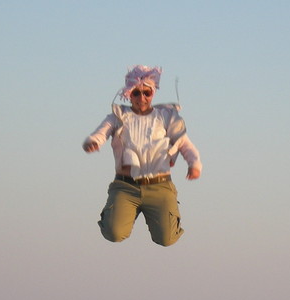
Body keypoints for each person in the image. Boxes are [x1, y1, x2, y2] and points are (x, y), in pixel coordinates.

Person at [82, 65, 202, 246]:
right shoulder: (118, 116)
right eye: (136, 93)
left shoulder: (167, 116)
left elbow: (184, 143)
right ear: (129, 94)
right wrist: (93, 142)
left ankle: (168, 216)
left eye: (147, 93)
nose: (142, 98)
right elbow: (100, 133)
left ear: (153, 93)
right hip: (125, 186)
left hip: (159, 186)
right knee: (114, 234)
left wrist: (194, 164)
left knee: (166, 239)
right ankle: (112, 214)